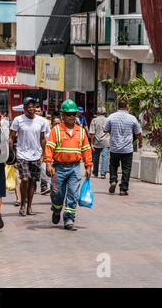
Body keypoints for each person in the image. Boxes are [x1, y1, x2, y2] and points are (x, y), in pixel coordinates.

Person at [44, 99, 92, 231]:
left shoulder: (81, 131)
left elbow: (86, 149)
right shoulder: (56, 130)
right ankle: (56, 209)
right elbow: (49, 148)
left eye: (73, 114)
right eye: (68, 114)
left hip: (74, 168)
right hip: (58, 168)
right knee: (57, 194)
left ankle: (69, 219)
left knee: (73, 194)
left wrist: (88, 166)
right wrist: (48, 163)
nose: (72, 116)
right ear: (62, 115)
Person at [9, 98, 47, 217]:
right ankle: (22, 204)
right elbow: (11, 137)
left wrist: (43, 155)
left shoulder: (42, 121)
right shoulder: (18, 120)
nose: (31, 109)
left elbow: (42, 139)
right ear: (24, 108)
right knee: (24, 179)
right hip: (22, 155)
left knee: (32, 182)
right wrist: (11, 153)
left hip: (36, 155)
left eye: (33, 106)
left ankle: (29, 206)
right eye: (28, 107)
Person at [103, 99, 143, 195]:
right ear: (127, 106)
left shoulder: (111, 117)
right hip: (127, 149)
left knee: (113, 165)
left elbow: (105, 130)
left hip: (114, 147)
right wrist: (140, 142)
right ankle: (123, 189)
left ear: (118, 106)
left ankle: (113, 181)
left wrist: (113, 132)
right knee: (126, 168)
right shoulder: (132, 118)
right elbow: (138, 133)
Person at [89, 107, 110, 179]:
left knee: (95, 158)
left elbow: (92, 133)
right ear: (105, 113)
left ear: (97, 113)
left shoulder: (94, 120)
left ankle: (95, 172)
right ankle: (103, 173)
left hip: (96, 141)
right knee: (105, 157)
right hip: (106, 141)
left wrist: (91, 143)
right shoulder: (108, 120)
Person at [35, 105, 51, 195]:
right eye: (36, 111)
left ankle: (43, 186)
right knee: (34, 168)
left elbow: (48, 134)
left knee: (43, 167)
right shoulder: (30, 121)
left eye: (38, 111)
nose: (37, 113)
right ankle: (32, 186)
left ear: (41, 112)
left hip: (43, 147)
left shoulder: (45, 122)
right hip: (32, 149)